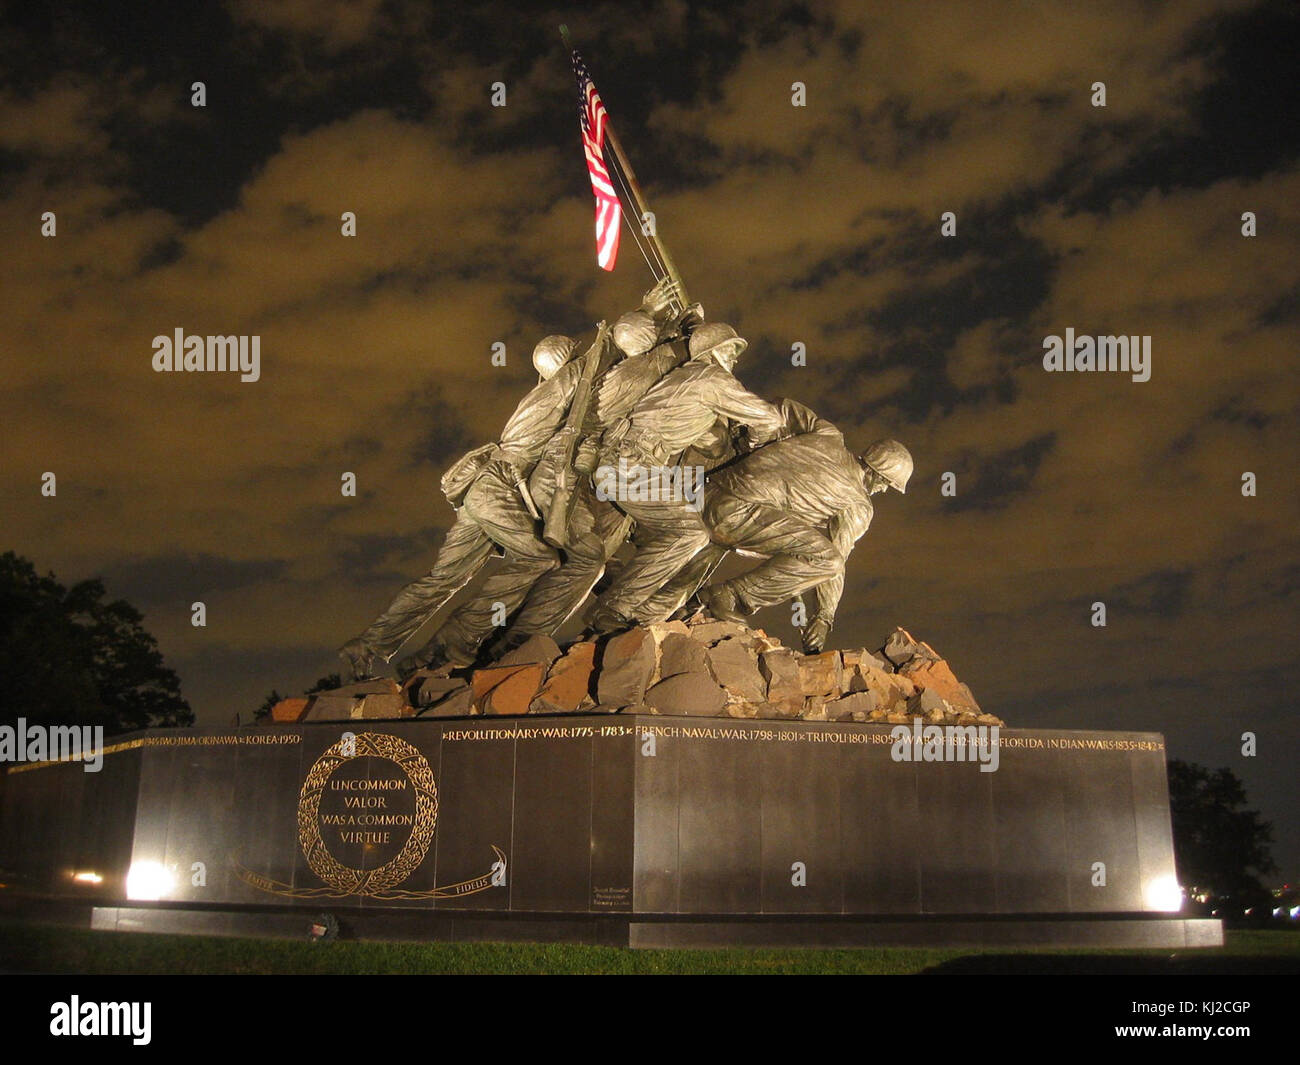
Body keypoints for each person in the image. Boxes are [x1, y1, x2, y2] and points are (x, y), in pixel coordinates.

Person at [337, 334, 586, 680]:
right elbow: (591, 368)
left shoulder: (538, 392)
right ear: (565, 360)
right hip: (495, 488)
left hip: (481, 490)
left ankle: (368, 644)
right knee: (540, 557)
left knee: (442, 580)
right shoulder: (560, 386)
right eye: (573, 354)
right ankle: (459, 639)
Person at [640, 400, 912, 653]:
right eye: (887, 484)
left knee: (681, 587)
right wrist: (824, 617)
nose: (885, 490)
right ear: (878, 476)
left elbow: (783, 407)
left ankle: (639, 624)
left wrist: (753, 439)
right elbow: (835, 563)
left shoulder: (828, 434)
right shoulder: (858, 504)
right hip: (734, 516)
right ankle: (731, 596)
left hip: (705, 493)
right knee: (824, 559)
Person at [586, 321, 787, 632]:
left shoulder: (683, 377)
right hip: (632, 465)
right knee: (688, 533)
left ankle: (635, 610)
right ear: (710, 352)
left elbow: (708, 440)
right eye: (729, 350)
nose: (733, 357)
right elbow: (770, 418)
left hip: (628, 463)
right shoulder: (712, 378)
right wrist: (753, 443)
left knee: (670, 534)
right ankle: (611, 609)